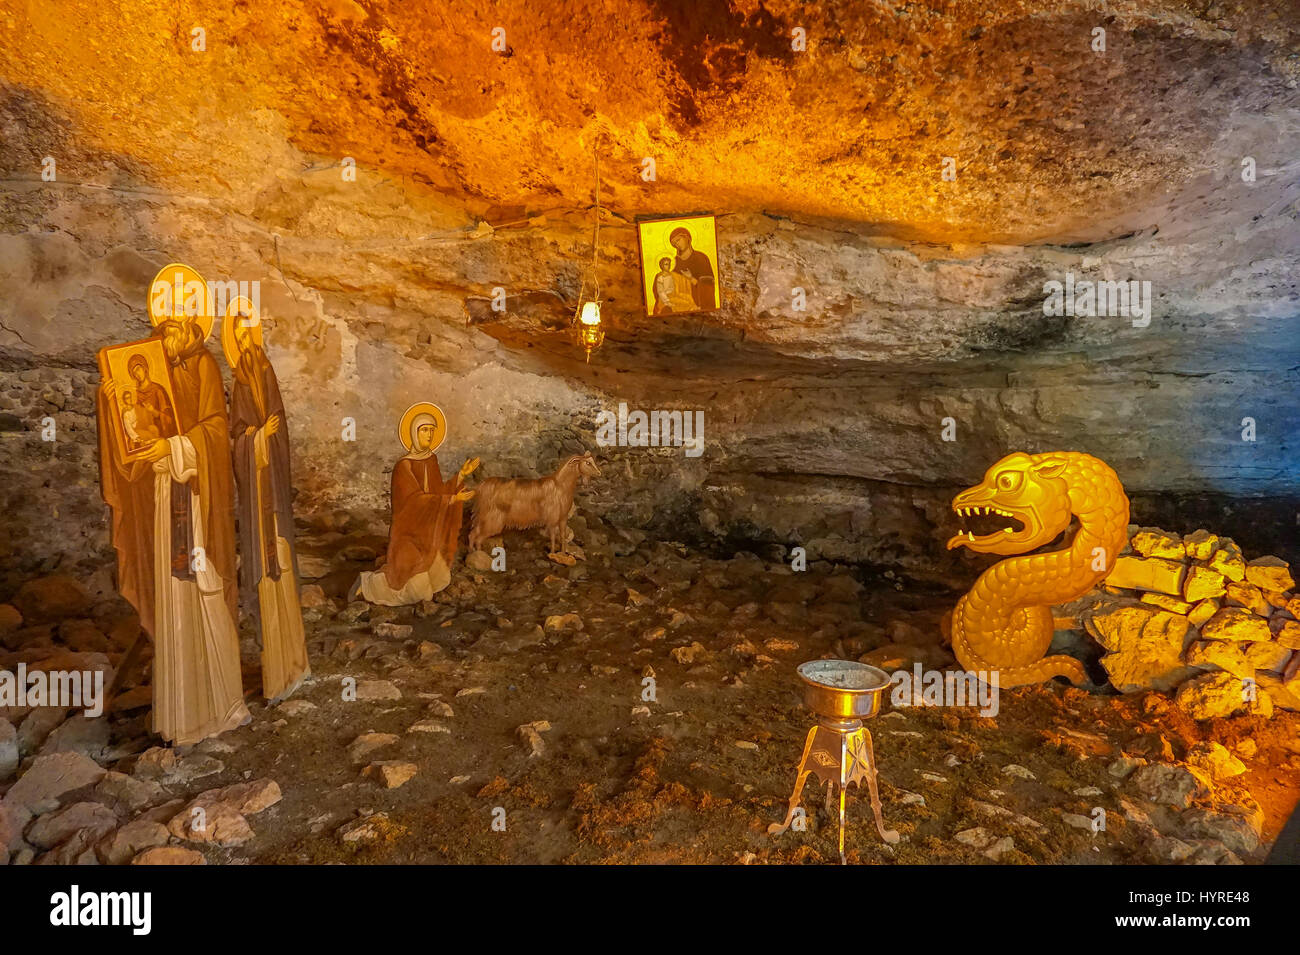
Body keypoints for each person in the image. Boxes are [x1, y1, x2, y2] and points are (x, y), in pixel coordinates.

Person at [98, 314, 250, 746]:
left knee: (202, 586)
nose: (169, 340)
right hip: (165, 497)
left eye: (178, 331)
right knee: (172, 593)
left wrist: (174, 446)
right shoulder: (155, 379)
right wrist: (111, 406)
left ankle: (220, 703)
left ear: (194, 332)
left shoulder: (203, 366)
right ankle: (180, 715)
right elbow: (131, 458)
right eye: (163, 333)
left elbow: (215, 432)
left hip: (194, 498)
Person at [229, 318, 310, 702]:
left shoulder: (265, 373)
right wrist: (254, 438)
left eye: (250, 333)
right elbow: (237, 434)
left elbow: (279, 428)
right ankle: (275, 667)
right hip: (256, 492)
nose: (246, 340)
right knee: (265, 571)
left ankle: (292, 662)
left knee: (281, 563)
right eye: (239, 335)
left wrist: (266, 439)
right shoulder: (240, 381)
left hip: (271, 491)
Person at [352, 407, 477, 606]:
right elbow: (413, 501)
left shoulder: (431, 460)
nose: (429, 434)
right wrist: (450, 500)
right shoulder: (404, 466)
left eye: (431, 430)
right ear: (413, 433)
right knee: (421, 594)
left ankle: (391, 579)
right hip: (408, 537)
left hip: (429, 537)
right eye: (424, 430)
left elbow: (437, 492)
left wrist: (461, 475)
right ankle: (369, 584)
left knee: (442, 580)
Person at [669, 227, 717, 309]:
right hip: (681, 305)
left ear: (687, 238)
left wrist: (691, 279)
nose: (677, 245)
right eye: (674, 244)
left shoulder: (701, 258)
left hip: (699, 305)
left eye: (678, 240)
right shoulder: (674, 262)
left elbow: (708, 287)